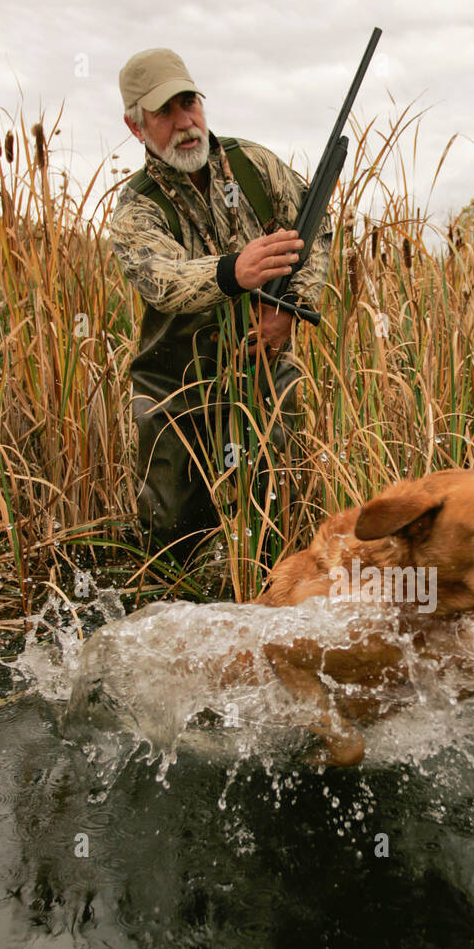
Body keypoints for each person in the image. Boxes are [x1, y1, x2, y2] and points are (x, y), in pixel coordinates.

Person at [110, 47, 332, 568]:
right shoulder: (135, 207)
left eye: (190, 103)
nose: (185, 123)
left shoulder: (256, 165)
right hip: (175, 391)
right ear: (136, 125)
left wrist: (290, 309)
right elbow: (159, 281)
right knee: (171, 545)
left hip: (262, 372)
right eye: (165, 112)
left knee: (281, 521)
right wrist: (234, 272)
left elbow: (315, 229)